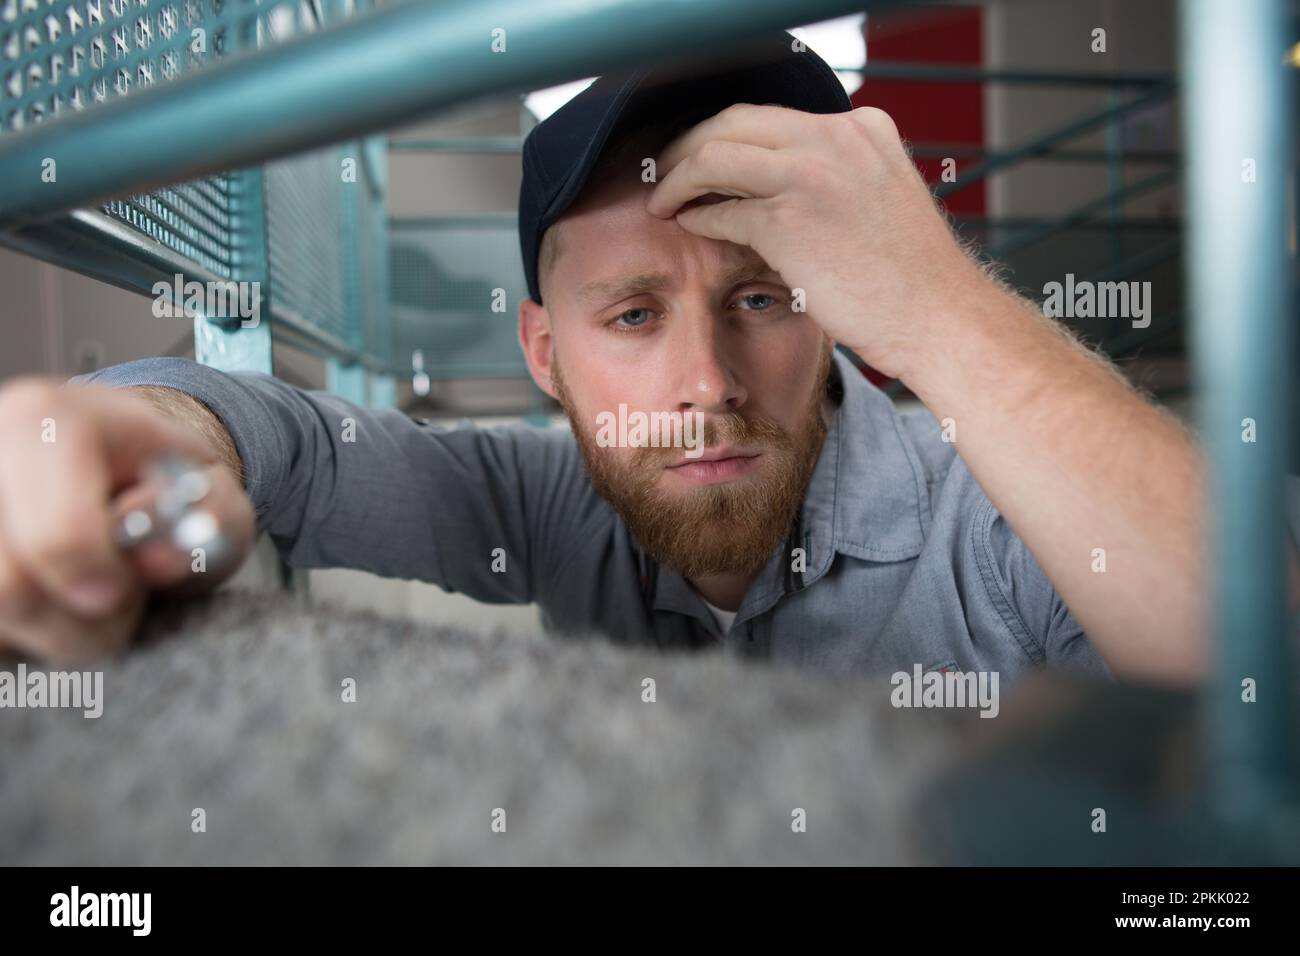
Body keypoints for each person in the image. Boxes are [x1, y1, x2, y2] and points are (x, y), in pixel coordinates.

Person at [0, 34, 1295, 680]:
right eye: (631, 315)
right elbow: (304, 458)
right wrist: (139, 440)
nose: (708, 387)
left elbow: (1264, 654)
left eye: (766, 298)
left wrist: (946, 311)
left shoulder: (990, 519)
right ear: (544, 355)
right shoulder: (549, 504)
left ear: (844, 305)